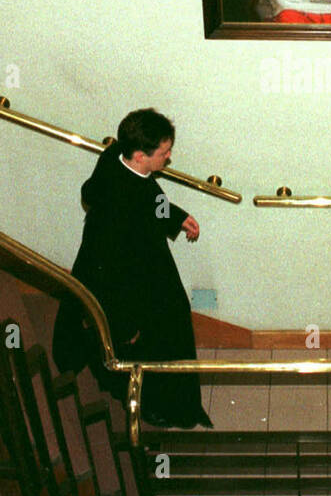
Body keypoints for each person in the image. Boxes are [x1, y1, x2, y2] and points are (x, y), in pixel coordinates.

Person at [51, 108, 212, 429]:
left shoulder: (116, 155)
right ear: (140, 155)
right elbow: (113, 279)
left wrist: (175, 216)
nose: (169, 157)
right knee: (155, 338)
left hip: (132, 265)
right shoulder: (120, 216)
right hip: (130, 282)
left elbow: (146, 190)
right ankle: (157, 407)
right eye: (164, 152)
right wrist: (127, 328)